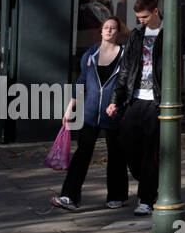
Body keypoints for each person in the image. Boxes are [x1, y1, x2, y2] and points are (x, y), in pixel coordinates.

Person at [50, 18, 128, 210]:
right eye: (106, 28)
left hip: (114, 112)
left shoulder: (124, 55)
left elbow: (128, 83)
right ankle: (69, 196)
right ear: (101, 31)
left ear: (118, 32)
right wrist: (71, 108)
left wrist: (119, 104)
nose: (109, 31)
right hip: (90, 112)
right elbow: (81, 82)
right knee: (82, 154)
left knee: (116, 155)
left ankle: (117, 196)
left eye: (113, 28)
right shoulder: (90, 54)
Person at [111, 0, 165, 216]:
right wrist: (116, 99)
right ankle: (147, 179)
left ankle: (146, 199)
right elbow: (125, 69)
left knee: (151, 151)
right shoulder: (136, 35)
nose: (140, 20)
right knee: (126, 142)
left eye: (144, 16)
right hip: (136, 98)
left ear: (154, 11)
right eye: (138, 17)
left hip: (157, 100)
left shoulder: (168, 33)